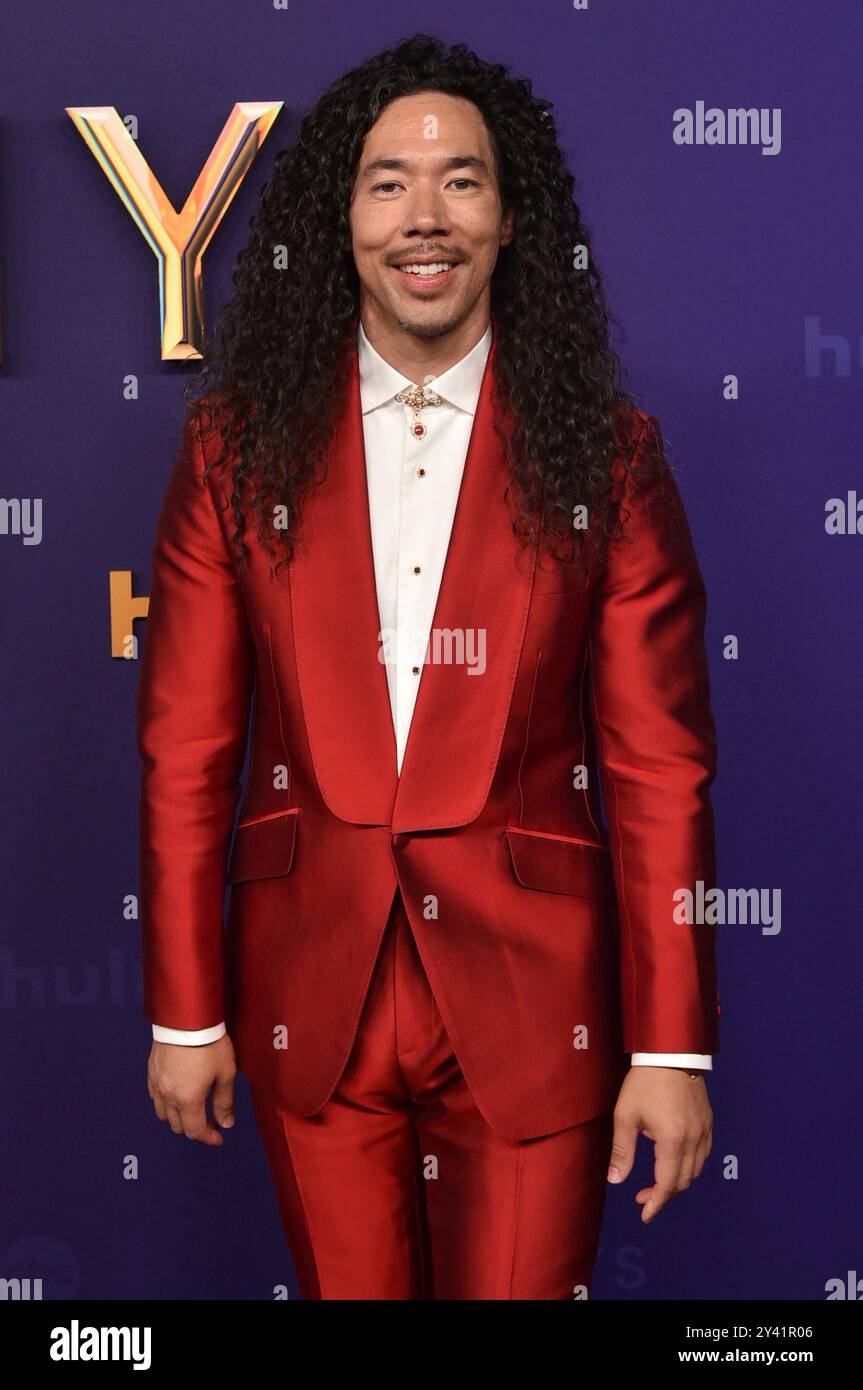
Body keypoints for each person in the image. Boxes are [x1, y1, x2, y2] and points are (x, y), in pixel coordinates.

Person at [137, 34, 720, 1300]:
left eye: (461, 180)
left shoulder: (606, 457)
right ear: (339, 215)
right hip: (309, 1002)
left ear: (512, 218)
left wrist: (671, 1047)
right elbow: (187, 747)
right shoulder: (235, 454)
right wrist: (186, 1012)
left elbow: (659, 767)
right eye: (387, 178)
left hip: (532, 1008)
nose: (424, 214)